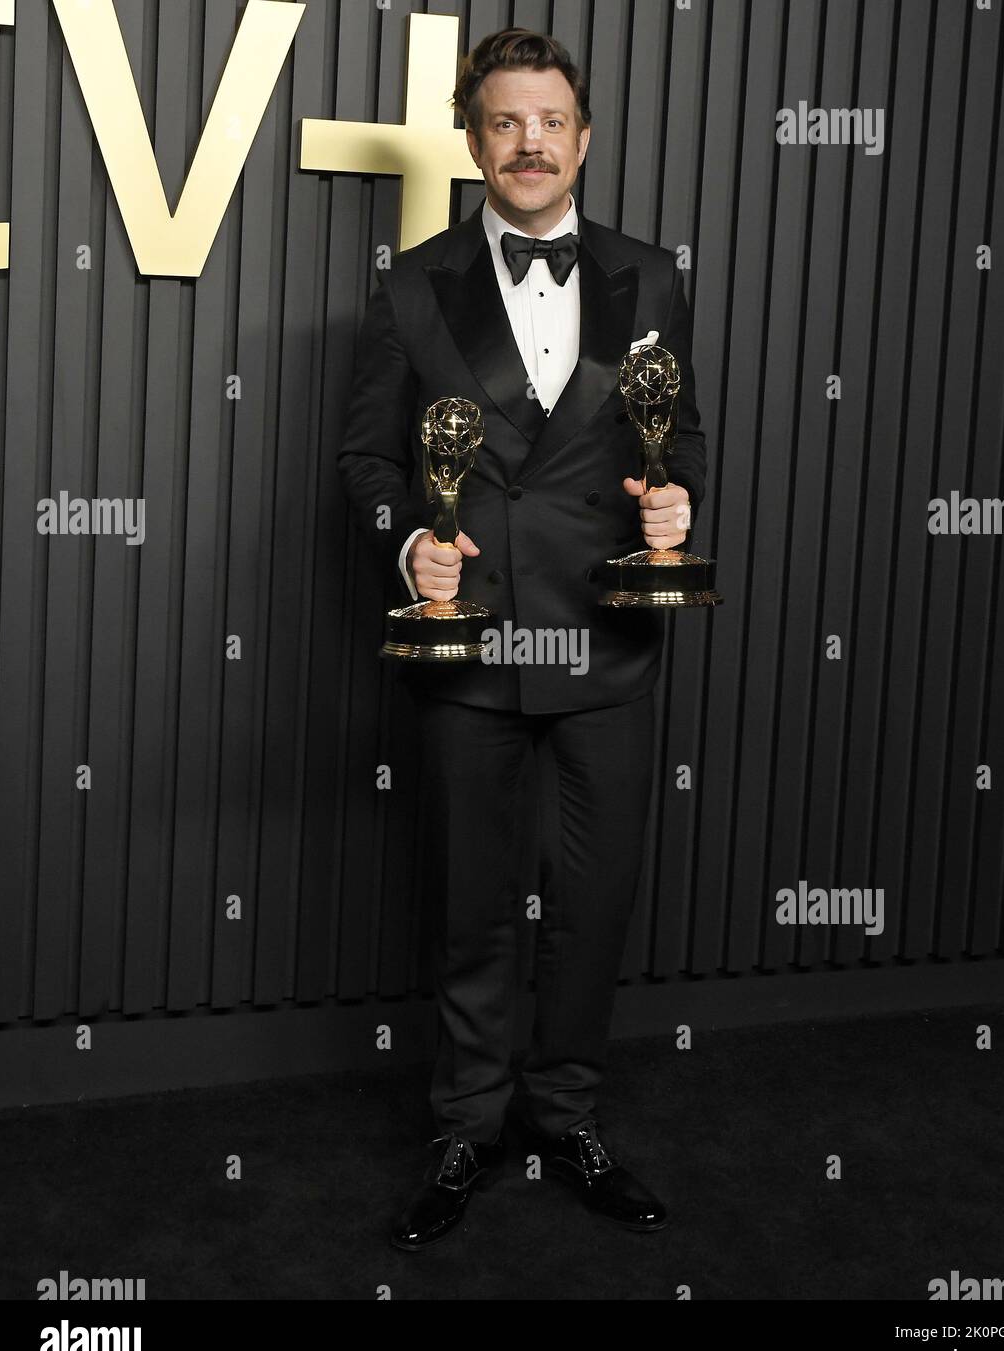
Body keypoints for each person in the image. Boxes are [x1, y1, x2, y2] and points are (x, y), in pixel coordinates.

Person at [336, 27, 707, 1250]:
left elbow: (679, 441)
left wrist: (676, 504)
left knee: (594, 903)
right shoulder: (411, 283)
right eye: (504, 122)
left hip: (607, 645)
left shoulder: (651, 277)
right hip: (475, 645)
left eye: (549, 121)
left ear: (582, 138)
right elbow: (369, 459)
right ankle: (463, 1126)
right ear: (474, 140)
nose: (530, 142)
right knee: (471, 903)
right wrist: (409, 547)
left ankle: (570, 1114)